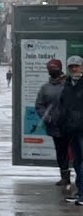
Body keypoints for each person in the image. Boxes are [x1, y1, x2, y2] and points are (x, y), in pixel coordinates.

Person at [34, 58, 69, 186]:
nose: (52, 70)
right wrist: (47, 118)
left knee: (77, 151)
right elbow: (39, 105)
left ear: (60, 69)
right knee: (61, 151)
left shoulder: (69, 84)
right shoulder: (45, 88)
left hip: (71, 124)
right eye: (50, 69)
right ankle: (65, 176)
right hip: (55, 126)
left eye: (55, 68)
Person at [56, 55, 83, 206]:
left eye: (77, 66)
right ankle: (80, 191)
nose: (74, 69)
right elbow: (63, 106)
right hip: (71, 129)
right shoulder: (67, 84)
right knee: (77, 162)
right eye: (71, 66)